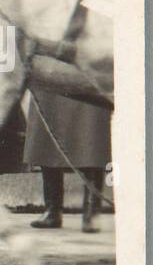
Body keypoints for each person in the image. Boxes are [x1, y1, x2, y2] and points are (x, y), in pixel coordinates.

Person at [24, 91, 111, 232]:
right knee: (47, 118)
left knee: (90, 126)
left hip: (85, 72)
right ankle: (52, 210)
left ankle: (91, 212)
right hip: (49, 74)